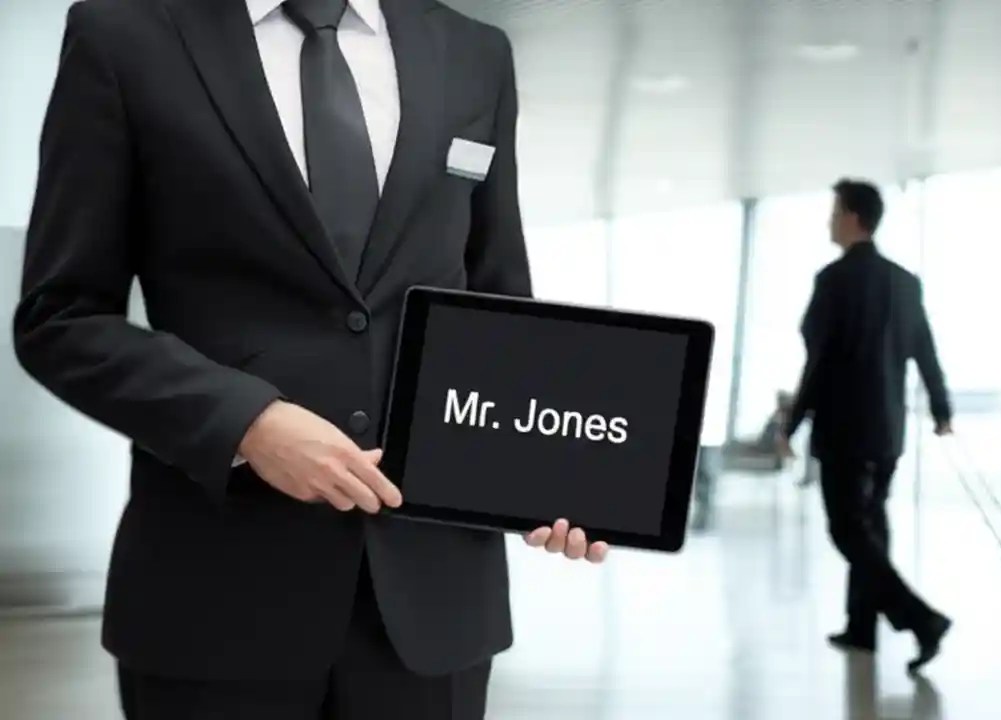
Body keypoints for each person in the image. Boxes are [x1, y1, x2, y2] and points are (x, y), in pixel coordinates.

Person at [13, 1, 606, 717]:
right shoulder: (126, 38)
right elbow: (62, 318)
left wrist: (553, 473)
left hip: (434, 604)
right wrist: (246, 423)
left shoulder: (475, 52)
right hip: (213, 601)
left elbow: (498, 307)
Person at [776, 179, 954, 675]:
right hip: (888, 429)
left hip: (844, 428)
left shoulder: (833, 280)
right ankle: (861, 628)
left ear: (854, 217)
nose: (829, 222)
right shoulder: (904, 282)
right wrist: (942, 409)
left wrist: (792, 423)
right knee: (871, 524)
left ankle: (921, 619)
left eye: (834, 213)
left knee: (847, 529)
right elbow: (925, 351)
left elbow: (818, 360)